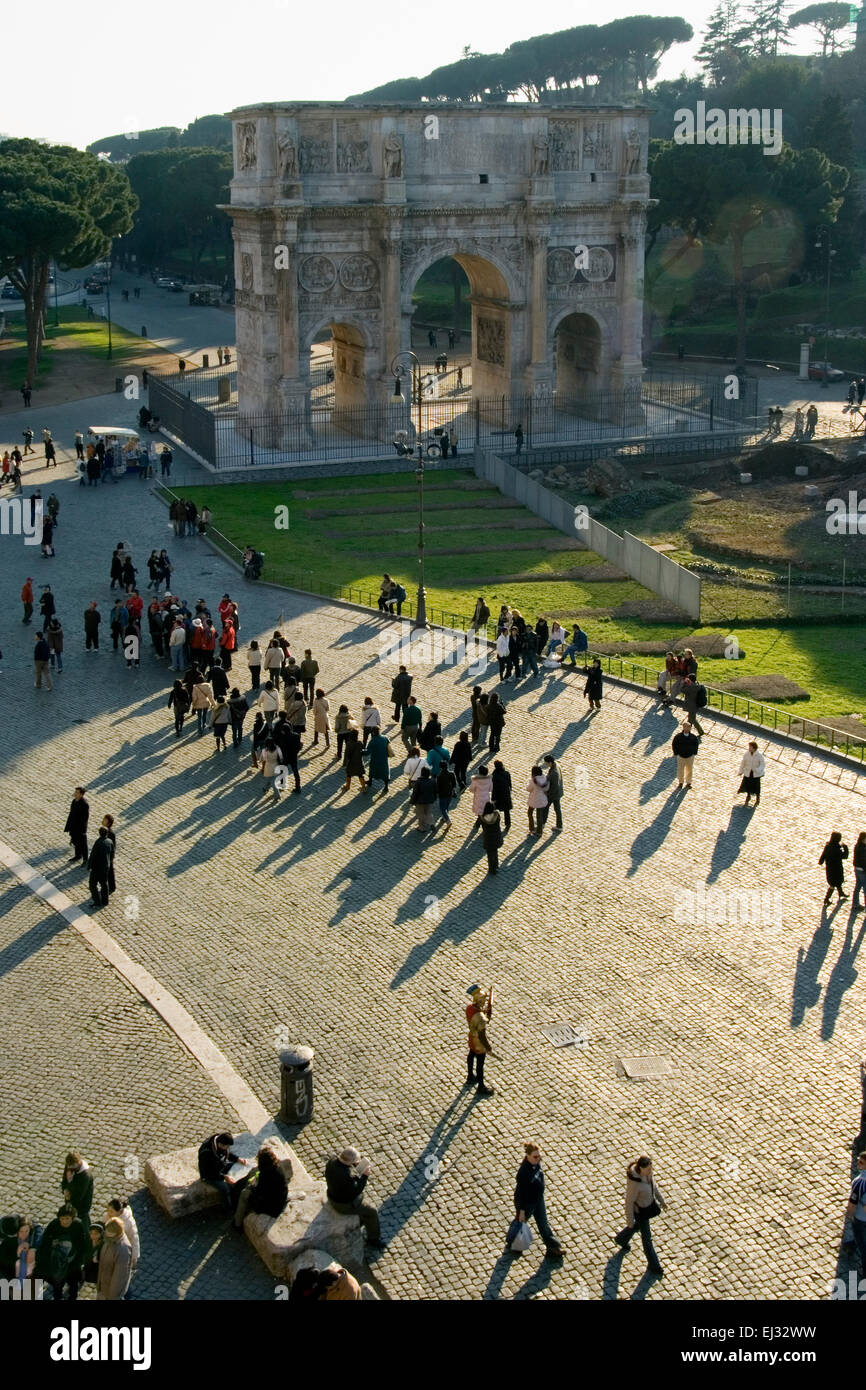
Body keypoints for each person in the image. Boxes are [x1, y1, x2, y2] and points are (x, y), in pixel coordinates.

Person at [614, 1155, 666, 1277]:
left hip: (648, 1207)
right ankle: (655, 1265)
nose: (650, 1171)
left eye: (651, 1168)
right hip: (641, 1212)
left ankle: (621, 1239)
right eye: (648, 1169)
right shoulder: (635, 1184)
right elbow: (629, 1202)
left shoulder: (648, 1175)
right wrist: (629, 1220)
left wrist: (661, 1200)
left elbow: (654, 1187)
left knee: (635, 1227)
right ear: (641, 1168)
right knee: (647, 1239)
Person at [324, 1148, 385, 1250]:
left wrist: (355, 1166)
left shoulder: (332, 1161)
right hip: (343, 1205)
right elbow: (355, 1192)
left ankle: (360, 1221)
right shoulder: (344, 1176)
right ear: (350, 1162)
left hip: (332, 1195)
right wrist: (365, 1176)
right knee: (372, 1212)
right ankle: (373, 1239)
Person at [510, 1144, 563, 1259]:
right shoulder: (523, 1173)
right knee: (520, 1223)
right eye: (535, 1157)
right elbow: (520, 1194)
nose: (538, 1159)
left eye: (539, 1156)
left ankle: (552, 1247)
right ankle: (513, 1243)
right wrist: (522, 1210)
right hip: (527, 1203)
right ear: (527, 1156)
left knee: (543, 1223)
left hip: (538, 1199)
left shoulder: (536, 1163)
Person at [36, 1204, 88, 1302]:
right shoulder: (54, 1225)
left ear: (72, 1218)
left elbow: (81, 1246)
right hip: (57, 1263)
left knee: (73, 1286)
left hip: (72, 1262)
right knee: (57, 1287)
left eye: (67, 1218)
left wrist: (77, 1263)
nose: (64, 1221)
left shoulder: (78, 1226)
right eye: (62, 1218)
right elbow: (45, 1243)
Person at [233, 1145, 289, 1230]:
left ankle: (237, 1224)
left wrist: (252, 1186)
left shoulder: (265, 1176)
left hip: (270, 1207)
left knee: (244, 1193)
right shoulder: (278, 1167)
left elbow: (260, 1193)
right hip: (279, 1199)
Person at [196, 1132, 252, 1212]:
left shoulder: (220, 1142)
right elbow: (209, 1173)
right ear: (221, 1144)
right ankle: (228, 1209)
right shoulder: (206, 1153)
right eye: (227, 1146)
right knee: (225, 1189)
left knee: (235, 1166)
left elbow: (227, 1153)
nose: (228, 1148)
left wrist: (237, 1159)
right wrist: (224, 1177)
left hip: (219, 1166)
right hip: (209, 1175)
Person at [96, 1218, 133, 1301]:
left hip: (110, 1293)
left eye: (109, 1232)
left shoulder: (123, 1250)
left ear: (116, 1233)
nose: (106, 1233)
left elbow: (119, 1276)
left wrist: (112, 1296)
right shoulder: (110, 1239)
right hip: (103, 1287)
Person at [845, 1150, 866, 1275]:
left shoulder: (859, 1182)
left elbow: (853, 1203)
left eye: (861, 1162)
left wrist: (850, 1215)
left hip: (861, 1219)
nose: (858, 1163)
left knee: (862, 1242)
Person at [62, 1151, 94, 1225]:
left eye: (72, 1166)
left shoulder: (85, 1175)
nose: (69, 1168)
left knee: (83, 1220)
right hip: (70, 1198)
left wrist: (70, 1182)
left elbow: (79, 1195)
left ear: (78, 1162)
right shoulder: (70, 1165)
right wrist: (65, 1190)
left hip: (82, 1204)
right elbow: (64, 1180)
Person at [819, 831, 849, 907]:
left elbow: (823, 855)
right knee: (834, 884)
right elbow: (845, 856)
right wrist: (845, 848)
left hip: (829, 869)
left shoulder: (828, 846)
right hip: (836, 869)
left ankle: (841, 893)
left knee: (836, 883)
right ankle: (826, 899)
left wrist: (821, 861)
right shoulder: (837, 849)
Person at [88, 827, 114, 908]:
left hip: (97, 868)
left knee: (92, 884)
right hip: (106, 866)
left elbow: (93, 855)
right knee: (104, 883)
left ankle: (97, 901)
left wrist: (89, 866)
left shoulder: (98, 842)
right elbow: (112, 853)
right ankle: (105, 901)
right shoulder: (110, 841)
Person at [672, 720, 700, 790]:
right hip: (681, 756)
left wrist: (694, 753)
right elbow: (674, 745)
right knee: (680, 770)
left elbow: (696, 745)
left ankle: (688, 782)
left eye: (688, 727)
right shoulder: (678, 736)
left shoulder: (693, 737)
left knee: (689, 770)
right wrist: (676, 753)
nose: (687, 728)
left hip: (690, 756)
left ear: (690, 728)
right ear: (683, 727)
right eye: (685, 727)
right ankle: (681, 782)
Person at [64, 787, 90, 864]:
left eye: (77, 792)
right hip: (73, 826)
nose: (75, 793)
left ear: (81, 794)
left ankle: (85, 859)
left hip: (80, 828)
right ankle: (78, 855)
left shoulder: (84, 804)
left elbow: (85, 818)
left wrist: (81, 829)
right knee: (75, 841)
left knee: (83, 844)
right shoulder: (74, 801)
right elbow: (71, 814)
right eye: (75, 792)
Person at [366, 727, 392, 796]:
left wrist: (361, 752)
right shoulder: (385, 738)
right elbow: (388, 744)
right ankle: (386, 787)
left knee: (372, 770)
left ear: (373, 733)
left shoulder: (373, 740)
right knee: (384, 772)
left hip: (375, 759)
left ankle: (370, 781)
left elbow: (368, 752)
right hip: (383, 759)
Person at [411, 765, 438, 831]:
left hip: (420, 801)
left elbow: (415, 793)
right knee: (428, 812)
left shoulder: (418, 782)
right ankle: (431, 823)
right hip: (429, 800)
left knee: (421, 814)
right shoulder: (432, 781)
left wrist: (412, 801)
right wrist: (434, 798)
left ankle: (422, 828)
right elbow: (435, 791)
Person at [738, 741, 765, 806]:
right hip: (748, 772)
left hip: (755, 774)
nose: (749, 748)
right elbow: (743, 763)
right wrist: (740, 771)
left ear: (754, 748)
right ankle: (748, 796)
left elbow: (762, 764)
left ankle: (757, 798)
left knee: (756, 786)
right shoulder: (746, 754)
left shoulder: (759, 755)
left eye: (750, 747)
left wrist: (758, 770)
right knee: (748, 784)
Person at [541, 755, 563, 829]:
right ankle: (559, 826)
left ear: (550, 762)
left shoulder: (554, 773)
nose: (546, 765)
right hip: (558, 792)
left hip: (552, 794)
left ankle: (543, 823)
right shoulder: (556, 765)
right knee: (557, 809)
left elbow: (554, 785)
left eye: (546, 763)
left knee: (545, 808)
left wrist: (548, 794)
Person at [342, 728, 367, 793]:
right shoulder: (359, 743)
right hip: (359, 761)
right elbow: (363, 750)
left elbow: (346, 754)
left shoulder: (349, 743)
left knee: (349, 774)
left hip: (351, 762)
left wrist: (345, 763)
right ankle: (364, 787)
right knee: (360, 774)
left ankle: (347, 786)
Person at [527, 766, 549, 836]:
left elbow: (528, 789)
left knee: (530, 813)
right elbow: (546, 789)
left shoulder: (534, 780)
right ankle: (539, 832)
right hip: (542, 799)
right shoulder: (545, 778)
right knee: (539, 816)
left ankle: (531, 828)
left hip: (534, 799)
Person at [491, 760, 512, 832]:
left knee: (493, 809)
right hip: (506, 794)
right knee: (506, 810)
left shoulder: (494, 775)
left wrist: (493, 797)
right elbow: (509, 784)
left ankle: (492, 823)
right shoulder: (506, 773)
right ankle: (508, 824)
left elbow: (494, 788)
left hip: (498, 795)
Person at [470, 764, 494, 829]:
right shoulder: (489, 779)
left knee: (479, 810)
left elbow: (471, 789)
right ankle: (481, 822)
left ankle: (479, 822)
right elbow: (491, 789)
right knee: (485, 810)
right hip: (486, 797)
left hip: (478, 797)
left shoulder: (475, 780)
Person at [436, 761, 457, 826]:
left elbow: (438, 787)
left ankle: (447, 820)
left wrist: (436, 794)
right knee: (446, 806)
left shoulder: (439, 776)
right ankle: (444, 817)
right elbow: (454, 784)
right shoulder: (452, 773)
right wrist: (453, 791)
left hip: (442, 794)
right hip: (449, 793)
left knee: (442, 808)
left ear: (440, 768)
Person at [852, 832, 866, 912]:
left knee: (858, 886)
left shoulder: (858, 846)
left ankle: (855, 904)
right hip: (862, 870)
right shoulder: (861, 849)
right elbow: (863, 861)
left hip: (858, 869)